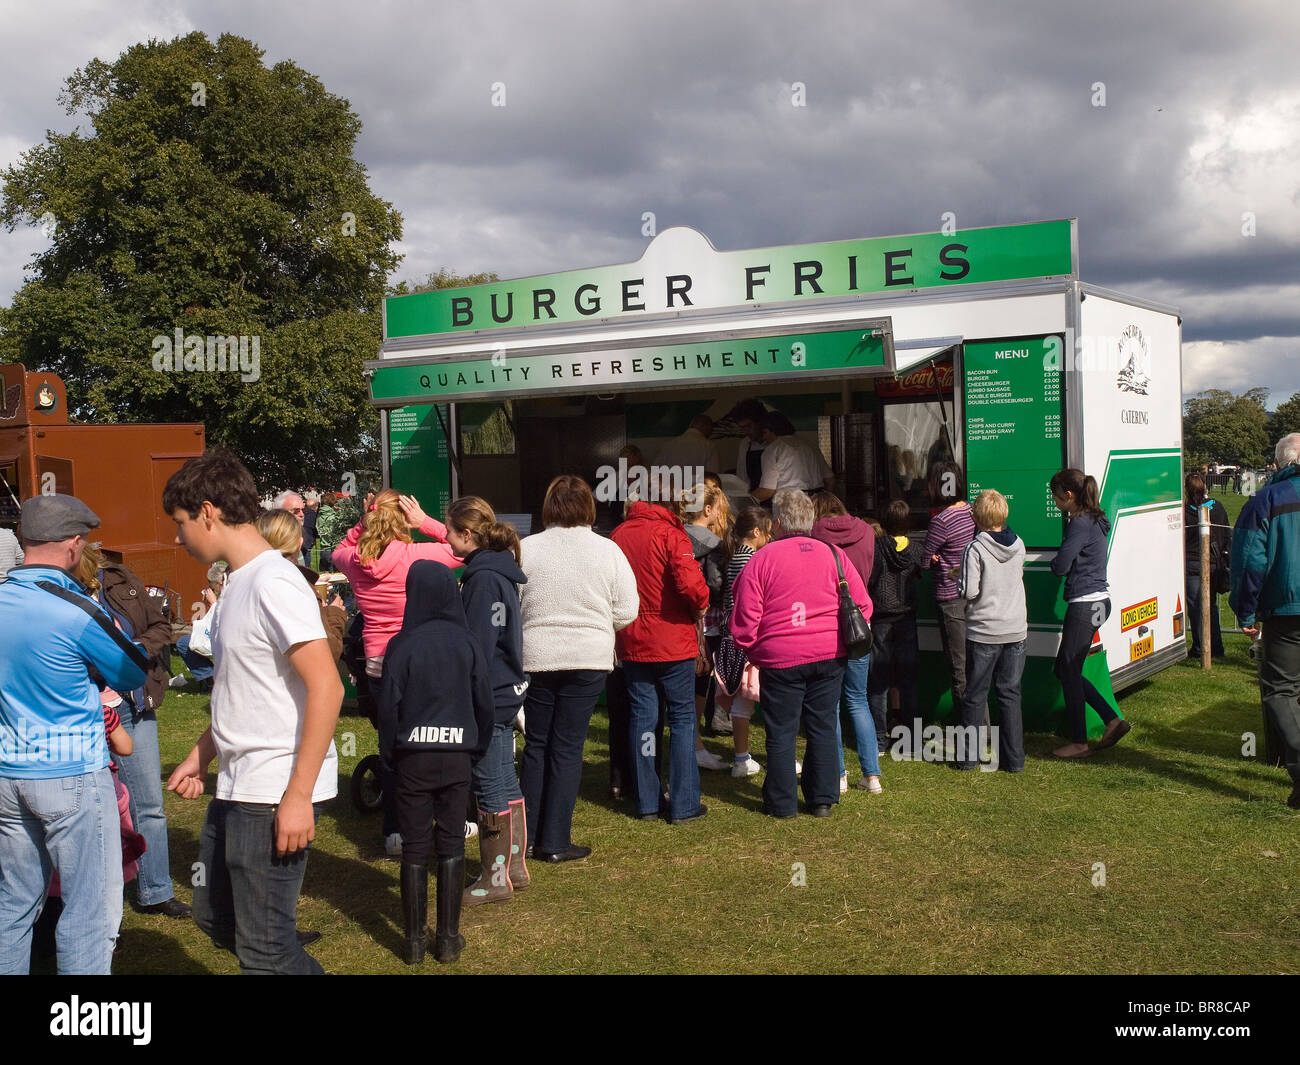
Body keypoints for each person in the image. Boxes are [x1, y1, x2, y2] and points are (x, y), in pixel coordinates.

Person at [163, 449, 343, 975]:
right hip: (238, 784)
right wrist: (200, 755)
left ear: (208, 512)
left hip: (272, 789)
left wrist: (298, 797)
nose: (179, 537)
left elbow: (326, 688)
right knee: (213, 914)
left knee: (265, 950)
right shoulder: (237, 583)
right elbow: (243, 691)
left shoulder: (273, 582)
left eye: (180, 524)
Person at [0, 494, 149, 974]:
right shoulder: (74, 606)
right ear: (74, 544)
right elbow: (131, 670)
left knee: (13, 907)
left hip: (8, 772)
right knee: (90, 914)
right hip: (71, 773)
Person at [333, 488, 462, 855]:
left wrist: (364, 519)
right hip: (418, 662)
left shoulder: (353, 560)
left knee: (392, 748)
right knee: (431, 740)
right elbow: (462, 549)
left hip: (378, 664)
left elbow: (340, 546)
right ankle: (439, 818)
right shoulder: (416, 556)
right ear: (403, 520)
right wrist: (427, 524)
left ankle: (395, 831)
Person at [730, 489, 870, 818]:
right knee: (822, 725)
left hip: (780, 657)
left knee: (782, 730)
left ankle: (781, 804)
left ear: (778, 522)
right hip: (828, 654)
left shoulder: (762, 559)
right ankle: (822, 799)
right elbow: (862, 605)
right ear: (811, 520)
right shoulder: (834, 555)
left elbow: (745, 615)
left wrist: (748, 646)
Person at [380, 562, 494, 963]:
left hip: (413, 756)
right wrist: (475, 747)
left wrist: (390, 754)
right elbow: (485, 702)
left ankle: (413, 943)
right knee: (450, 842)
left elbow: (388, 707)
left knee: (414, 846)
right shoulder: (468, 643)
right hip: (458, 754)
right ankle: (447, 939)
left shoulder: (402, 644)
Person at [520, 476, 639, 860]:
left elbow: (512, 602)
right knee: (568, 748)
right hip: (588, 656)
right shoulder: (608, 550)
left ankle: (528, 838)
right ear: (589, 506)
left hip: (537, 655)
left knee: (537, 745)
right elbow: (627, 609)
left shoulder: (526, 549)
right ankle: (554, 841)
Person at [84, 544, 193, 921]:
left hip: (132, 706)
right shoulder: (55, 593)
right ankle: (81, 904)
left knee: (149, 805)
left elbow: (160, 626)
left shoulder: (119, 578)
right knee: (85, 812)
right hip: (83, 714)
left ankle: (156, 891)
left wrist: (130, 651)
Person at [442, 496, 531, 906]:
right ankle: (512, 867)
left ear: (467, 534)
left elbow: (477, 645)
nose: (444, 536)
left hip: (490, 694)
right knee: (505, 778)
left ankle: (496, 878)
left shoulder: (483, 579)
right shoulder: (497, 573)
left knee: (490, 781)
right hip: (505, 689)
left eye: (449, 529)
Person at [612, 483, 712, 824]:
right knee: (682, 719)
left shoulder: (619, 534)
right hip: (672, 639)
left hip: (633, 638)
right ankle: (684, 803)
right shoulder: (672, 535)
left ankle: (647, 801)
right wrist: (701, 603)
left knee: (643, 719)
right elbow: (690, 585)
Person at [1230, 432, 1300, 809]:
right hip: (1285, 606)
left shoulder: (1266, 499)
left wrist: (1245, 610)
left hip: (1286, 609)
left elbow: (1248, 562)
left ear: (1280, 464)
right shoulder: (1267, 500)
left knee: (1280, 690)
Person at [1048, 468, 1129, 759]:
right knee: (1065, 668)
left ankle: (1079, 742)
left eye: (1056, 498)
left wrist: (1053, 563)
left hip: (1085, 602)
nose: (1055, 503)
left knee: (1068, 669)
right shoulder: (1095, 519)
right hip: (1098, 602)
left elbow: (1061, 565)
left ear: (1069, 495)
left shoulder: (1079, 524)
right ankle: (1112, 720)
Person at [811, 492, 879, 793]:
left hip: (829, 623)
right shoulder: (866, 530)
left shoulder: (815, 536)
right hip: (860, 619)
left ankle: (838, 774)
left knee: (832, 704)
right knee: (858, 699)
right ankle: (872, 775)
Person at [955, 490, 1026, 772]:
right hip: (1015, 629)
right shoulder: (1019, 543)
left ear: (976, 517)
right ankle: (1014, 760)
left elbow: (970, 591)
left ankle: (969, 759)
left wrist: (957, 579)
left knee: (975, 695)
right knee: (1010, 694)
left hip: (984, 631)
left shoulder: (975, 548)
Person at [678, 480, 733, 765]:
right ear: (708, 510)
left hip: (679, 618)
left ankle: (692, 740)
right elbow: (715, 582)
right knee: (701, 678)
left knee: (686, 681)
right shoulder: (715, 544)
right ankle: (695, 742)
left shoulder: (676, 537)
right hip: (708, 619)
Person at [715, 506, 772, 775]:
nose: (770, 538)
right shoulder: (751, 560)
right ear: (757, 532)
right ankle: (746, 758)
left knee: (742, 697)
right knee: (755, 697)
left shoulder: (737, 557)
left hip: (733, 634)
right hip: (748, 636)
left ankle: (741, 758)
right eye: (767, 533)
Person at [868, 501, 925, 753]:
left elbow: (870, 579)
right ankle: (911, 739)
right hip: (906, 620)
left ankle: (879, 739)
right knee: (908, 681)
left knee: (878, 682)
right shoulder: (915, 550)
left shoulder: (876, 547)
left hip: (880, 618)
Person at [255, 508, 347, 661]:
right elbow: (326, 655)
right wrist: (334, 614)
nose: (302, 513)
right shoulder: (295, 586)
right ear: (299, 543)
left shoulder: (243, 580)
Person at [922, 461, 977, 715]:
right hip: (973, 594)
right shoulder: (972, 511)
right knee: (974, 665)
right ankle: (982, 726)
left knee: (959, 668)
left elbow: (924, 559)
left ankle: (971, 730)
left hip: (949, 597)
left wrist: (934, 558)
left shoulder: (941, 521)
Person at [1184, 473, 1230, 660]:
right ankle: (1215, 646)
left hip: (1194, 563)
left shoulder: (1186, 511)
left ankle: (1200, 648)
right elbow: (1227, 534)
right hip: (1214, 561)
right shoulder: (1216, 506)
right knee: (1209, 607)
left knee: (1197, 608)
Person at [751, 411, 835, 503]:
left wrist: (743, 501)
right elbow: (830, 480)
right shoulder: (810, 445)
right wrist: (824, 504)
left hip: (790, 506)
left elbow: (767, 491)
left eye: (764, 433)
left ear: (772, 430)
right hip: (816, 502)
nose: (764, 438)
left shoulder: (773, 449)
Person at [172, 563, 225, 693]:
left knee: (187, 642)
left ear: (219, 584)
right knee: (184, 643)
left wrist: (214, 603)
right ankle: (209, 678)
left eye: (211, 584)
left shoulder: (234, 594)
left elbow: (226, 619)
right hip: (216, 636)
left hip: (227, 640)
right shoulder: (222, 594)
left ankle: (214, 678)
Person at [657, 414, 723, 479]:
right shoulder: (709, 446)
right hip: (696, 488)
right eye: (711, 429)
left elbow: (656, 471)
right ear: (706, 426)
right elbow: (713, 476)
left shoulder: (668, 444)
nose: (711, 432)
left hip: (671, 488)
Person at [727, 398, 770, 493]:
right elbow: (742, 479)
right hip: (754, 499)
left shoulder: (777, 444)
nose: (746, 431)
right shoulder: (745, 444)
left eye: (748, 426)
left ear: (760, 422)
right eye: (742, 428)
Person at [315, 491, 345, 571]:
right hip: (332, 548)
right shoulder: (333, 517)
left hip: (323, 549)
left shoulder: (319, 516)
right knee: (334, 578)